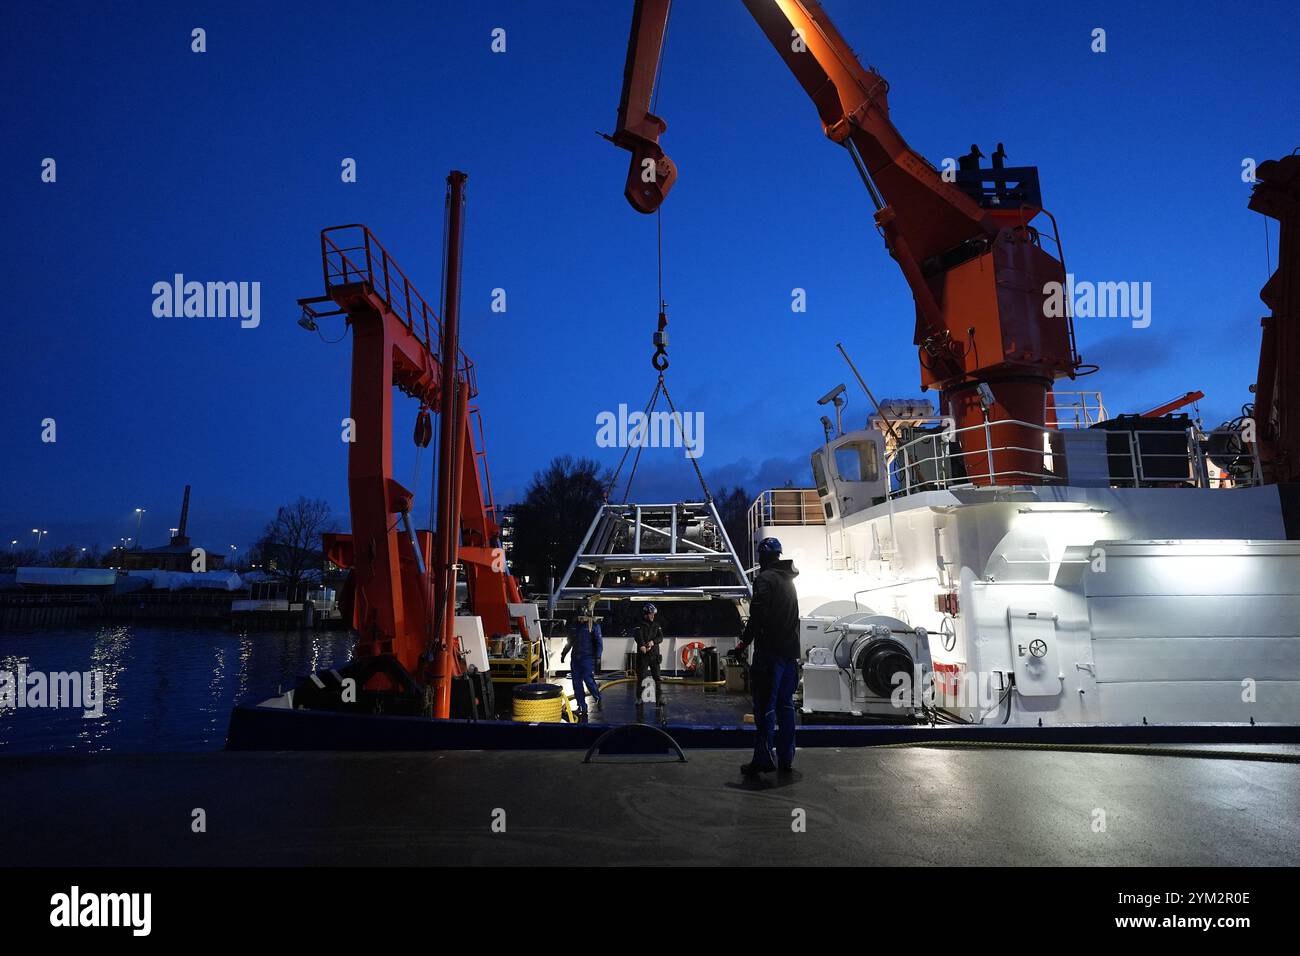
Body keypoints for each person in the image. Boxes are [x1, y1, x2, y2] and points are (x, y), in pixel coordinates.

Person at [736, 537, 800, 776]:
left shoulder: (764, 579)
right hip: (789, 654)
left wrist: (744, 642)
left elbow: (758, 615)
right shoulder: (788, 581)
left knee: (765, 707)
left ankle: (763, 758)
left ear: (762, 556)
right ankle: (786, 758)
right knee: (786, 706)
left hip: (770, 655)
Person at [561, 612, 603, 717]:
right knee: (576, 683)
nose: (580, 619)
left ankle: (597, 696)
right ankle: (582, 707)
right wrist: (563, 654)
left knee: (588, 680)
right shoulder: (574, 626)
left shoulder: (593, 626)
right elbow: (569, 642)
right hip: (575, 659)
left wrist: (598, 657)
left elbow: (599, 642)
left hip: (587, 658)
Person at [633, 603, 664, 712]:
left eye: (653, 614)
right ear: (646, 614)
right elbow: (637, 635)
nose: (652, 616)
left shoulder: (656, 625)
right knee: (641, 677)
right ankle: (639, 698)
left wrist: (653, 642)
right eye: (651, 614)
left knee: (657, 677)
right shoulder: (639, 625)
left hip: (654, 655)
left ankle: (659, 698)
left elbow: (661, 637)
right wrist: (642, 645)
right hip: (643, 655)